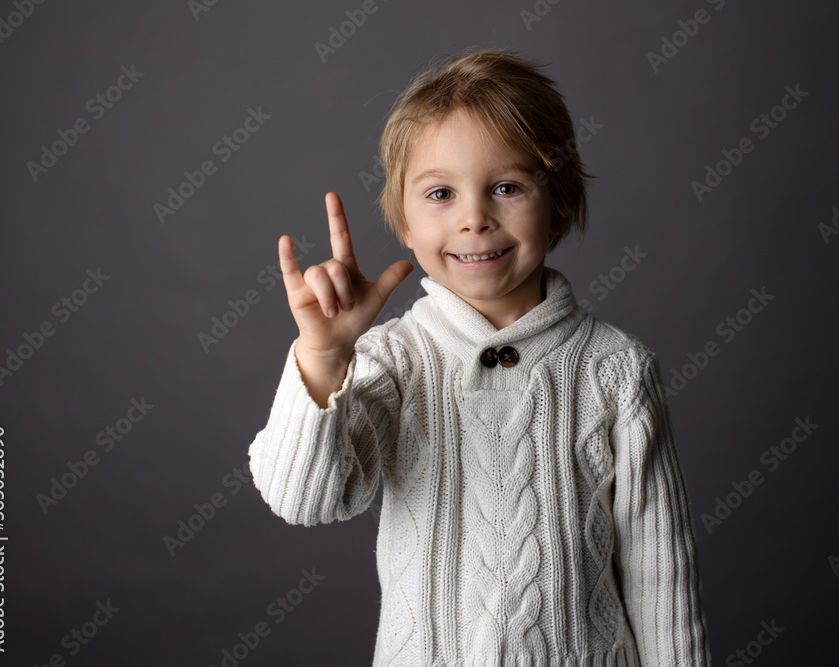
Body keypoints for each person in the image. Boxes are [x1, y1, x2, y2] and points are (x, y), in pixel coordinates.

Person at [248, 48, 710, 665]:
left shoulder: (617, 371)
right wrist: (324, 355)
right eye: (440, 193)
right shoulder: (391, 360)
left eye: (507, 187)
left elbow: (662, 578)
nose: (474, 218)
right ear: (404, 221)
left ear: (559, 205)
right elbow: (306, 499)